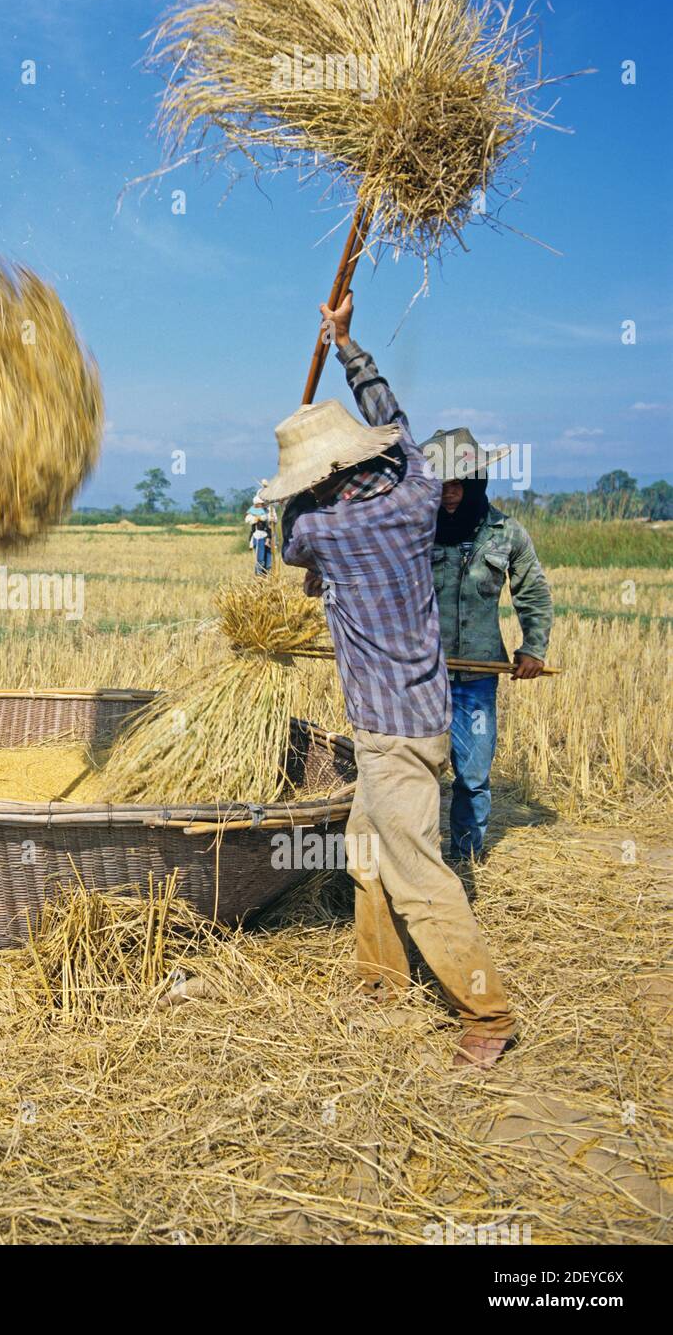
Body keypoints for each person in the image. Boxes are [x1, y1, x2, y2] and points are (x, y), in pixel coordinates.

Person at [260, 290, 515, 1070]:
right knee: (365, 845)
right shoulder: (411, 493)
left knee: (414, 871)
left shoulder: (320, 530)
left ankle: (487, 1011)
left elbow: (283, 542)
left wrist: (270, 502)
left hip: (392, 729)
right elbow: (394, 414)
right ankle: (379, 981)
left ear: (319, 480)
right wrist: (347, 344)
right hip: (418, 713)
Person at [421, 427, 553, 863]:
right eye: (439, 484)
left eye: (458, 483)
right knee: (415, 772)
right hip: (420, 676)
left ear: (477, 481)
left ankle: (465, 858)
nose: (449, 494)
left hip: (478, 676)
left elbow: (532, 593)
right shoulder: (413, 533)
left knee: (473, 775)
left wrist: (533, 647)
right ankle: (416, 859)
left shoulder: (507, 534)